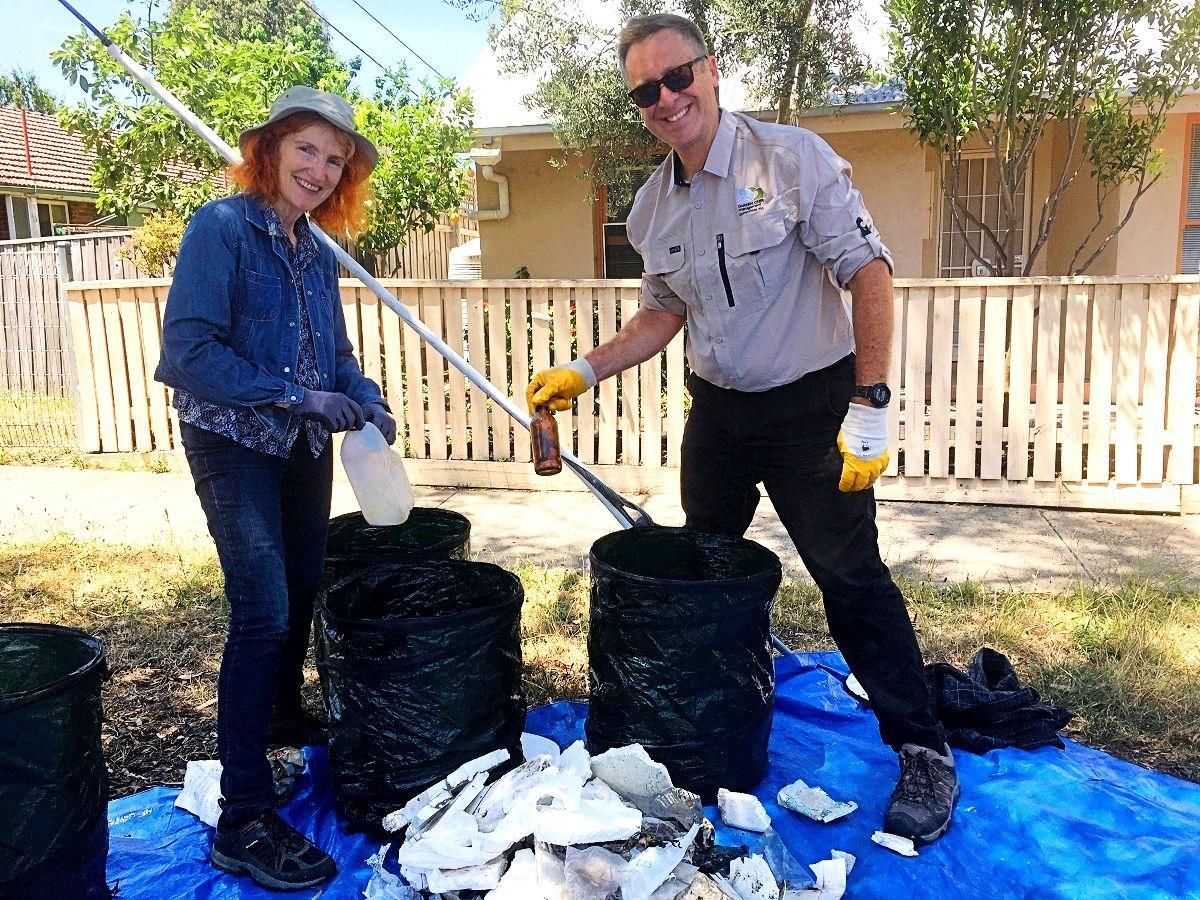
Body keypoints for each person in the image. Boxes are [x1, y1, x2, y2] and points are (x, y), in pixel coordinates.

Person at [527, 14, 959, 844]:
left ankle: (922, 749)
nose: (665, 99)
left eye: (677, 77)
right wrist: (584, 369)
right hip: (717, 416)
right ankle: (700, 728)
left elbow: (869, 271)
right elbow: (661, 314)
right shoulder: (653, 206)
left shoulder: (790, 160)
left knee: (849, 576)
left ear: (712, 71)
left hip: (810, 407)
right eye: (645, 91)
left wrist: (870, 398)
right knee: (703, 572)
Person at [155, 86, 397, 890]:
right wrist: (296, 397)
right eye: (307, 149)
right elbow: (188, 353)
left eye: (335, 160)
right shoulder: (219, 229)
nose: (321, 169)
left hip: (301, 446)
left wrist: (363, 395)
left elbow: (334, 350)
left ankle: (281, 727)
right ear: (270, 149)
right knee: (261, 610)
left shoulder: (315, 247)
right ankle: (243, 817)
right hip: (233, 445)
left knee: (299, 591)